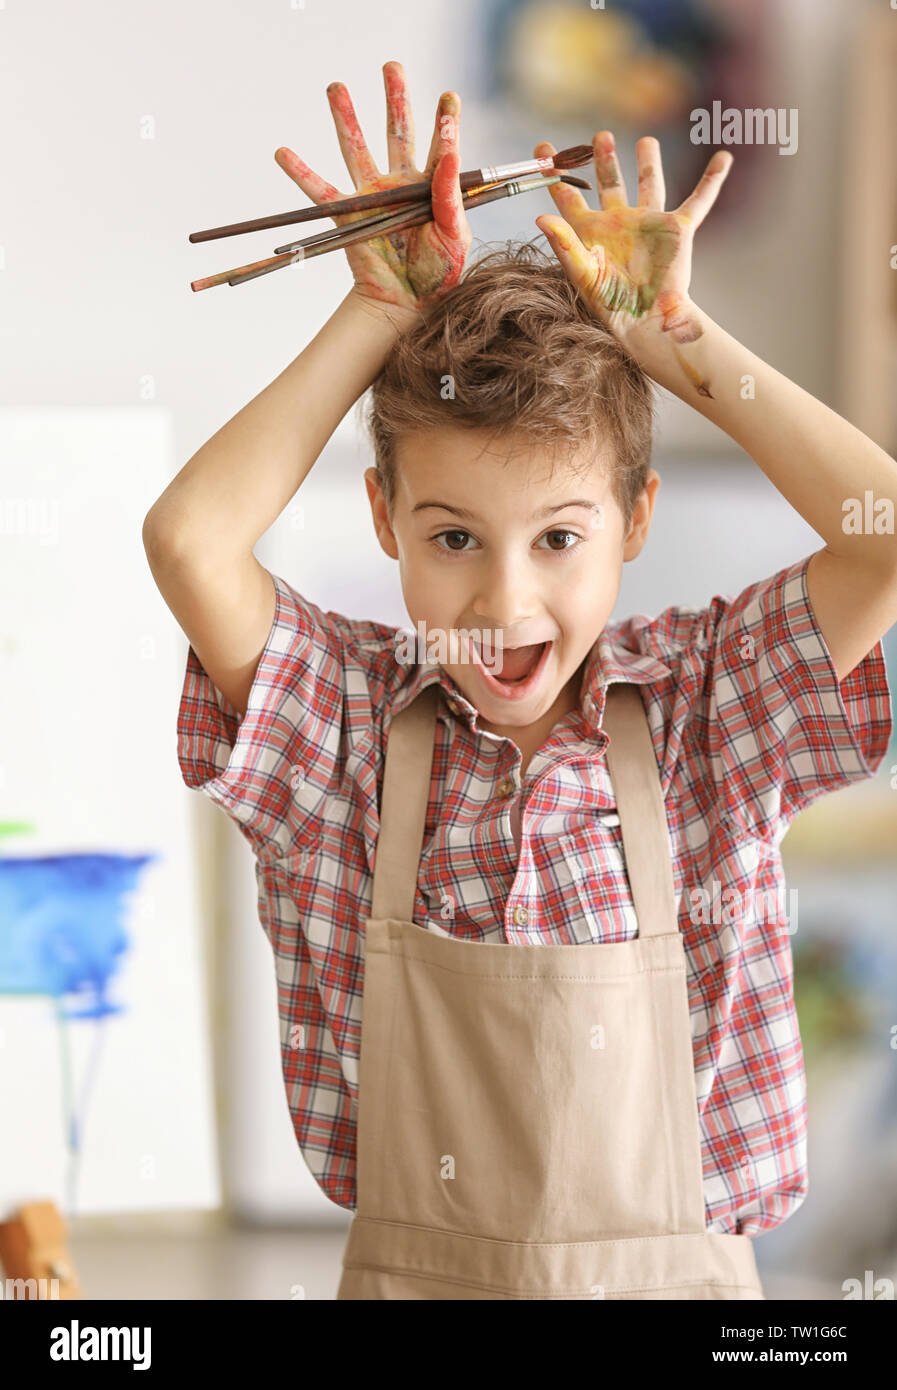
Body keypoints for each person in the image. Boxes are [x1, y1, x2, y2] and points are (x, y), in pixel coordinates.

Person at [143, 61, 895, 1299]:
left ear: (636, 518)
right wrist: (376, 316)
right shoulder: (342, 727)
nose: (503, 604)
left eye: (559, 537)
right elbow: (190, 543)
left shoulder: (710, 711)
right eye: (453, 538)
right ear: (383, 517)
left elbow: (880, 532)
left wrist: (679, 343)